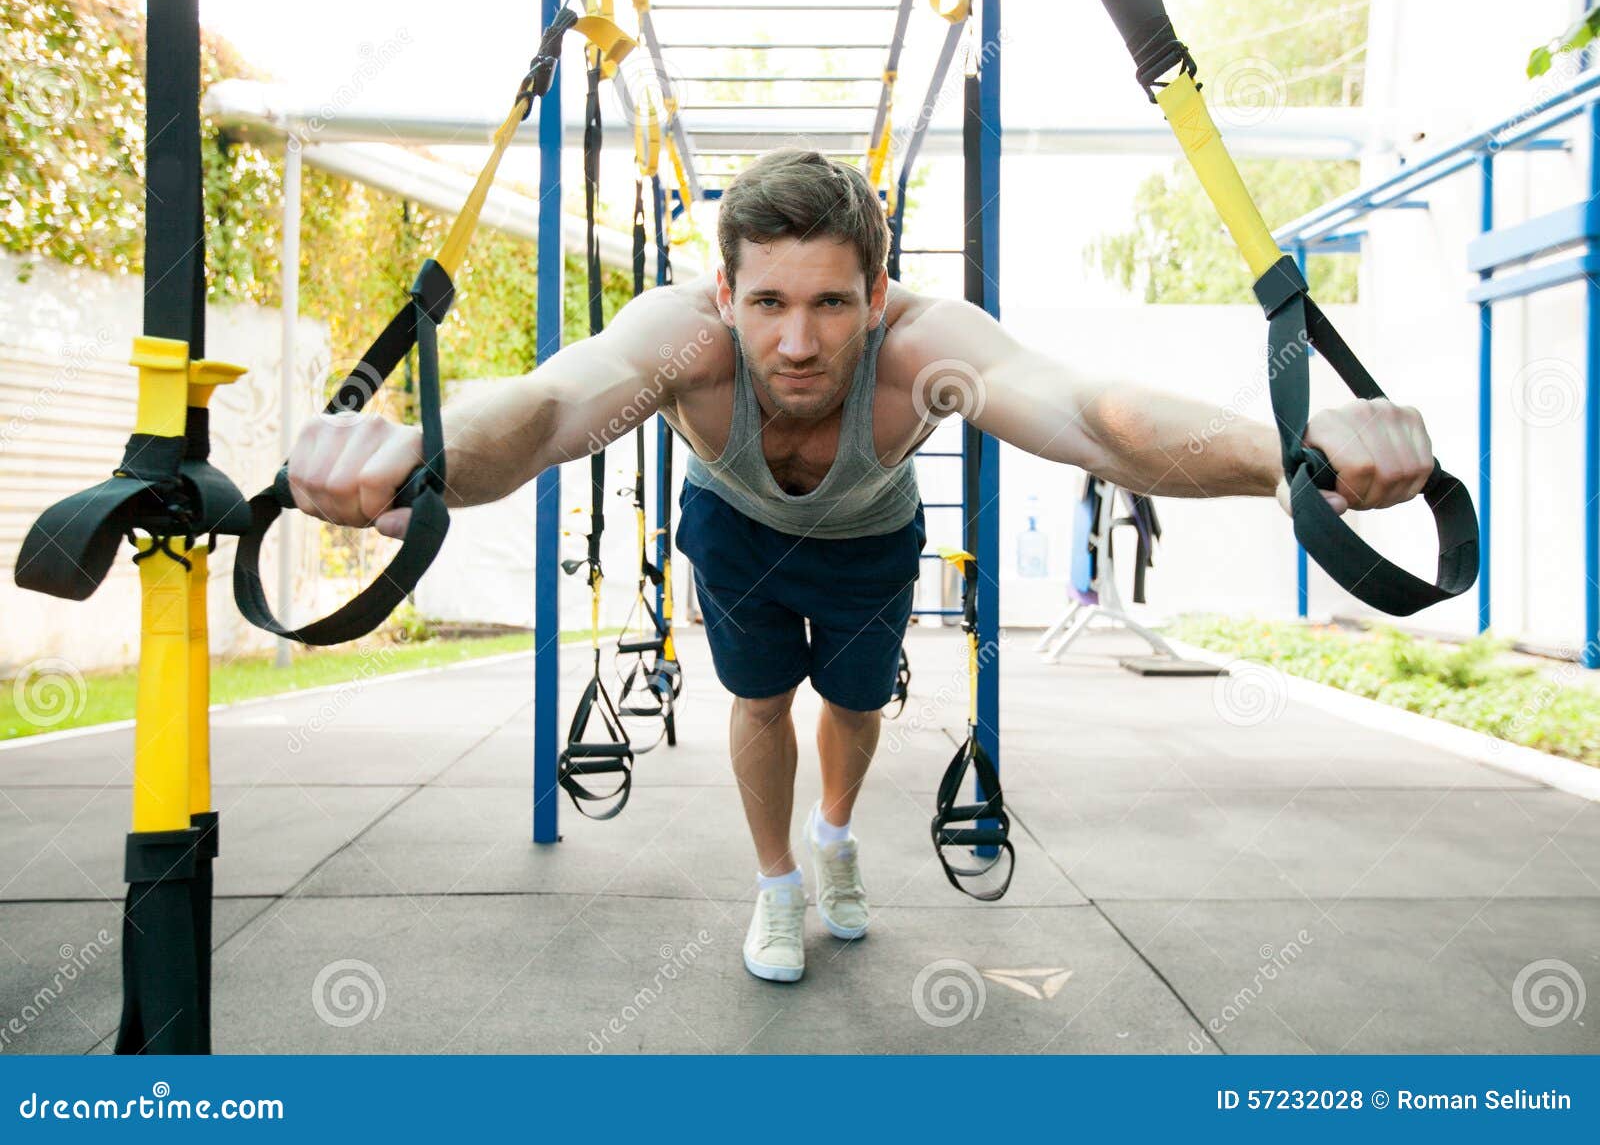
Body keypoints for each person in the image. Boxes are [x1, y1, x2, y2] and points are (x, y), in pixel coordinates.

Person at [285, 148, 1437, 983]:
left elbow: (1090, 414)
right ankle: (778, 881)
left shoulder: (920, 348)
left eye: (832, 303)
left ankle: (835, 834)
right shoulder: (681, 340)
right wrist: (421, 457)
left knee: (849, 701)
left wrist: (1285, 458)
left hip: (869, 542)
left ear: (875, 294)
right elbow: (545, 409)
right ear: (723, 291)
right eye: (769, 303)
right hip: (732, 531)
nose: (796, 341)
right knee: (756, 698)